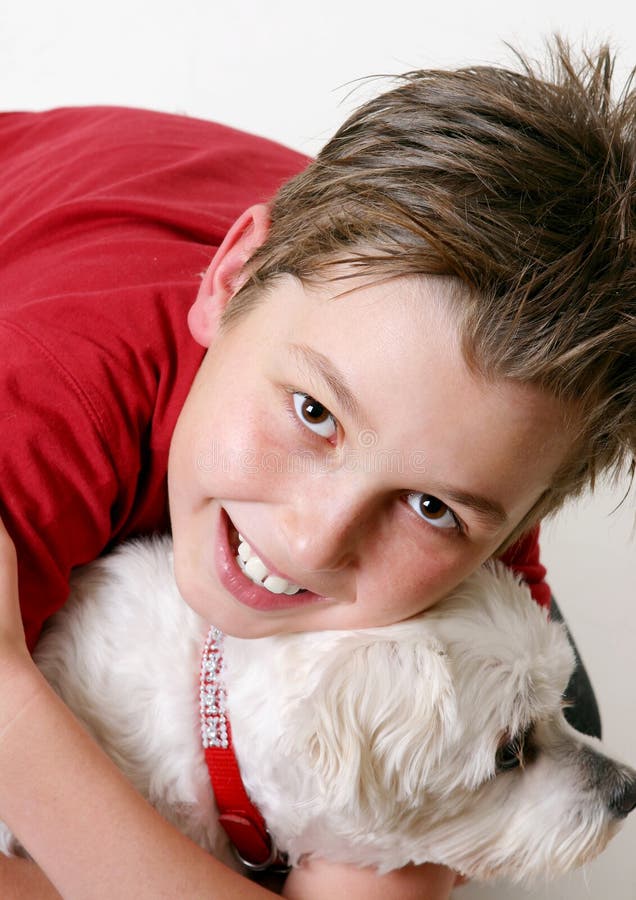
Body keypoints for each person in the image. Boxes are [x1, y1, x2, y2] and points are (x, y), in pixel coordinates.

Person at [0, 38, 633, 898]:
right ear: (231, 281)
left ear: (514, 524)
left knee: (502, 754)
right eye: (313, 413)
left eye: (430, 507)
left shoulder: (469, 427)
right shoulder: (48, 403)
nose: (312, 539)